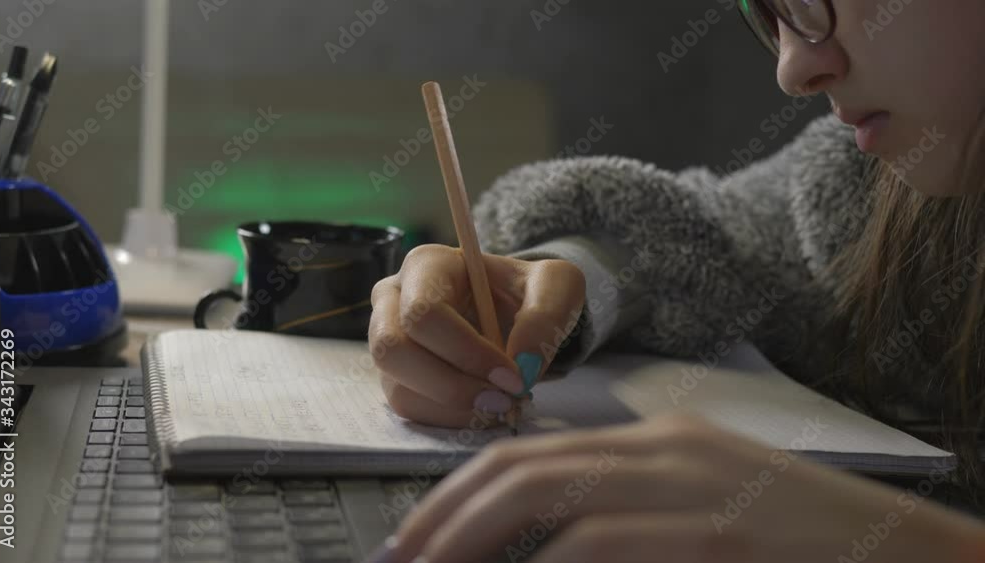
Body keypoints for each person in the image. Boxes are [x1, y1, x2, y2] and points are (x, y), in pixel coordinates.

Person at [366, 0, 985, 561]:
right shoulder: (869, 189)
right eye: (773, 13)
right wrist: (565, 282)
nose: (794, 70)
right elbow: (712, 240)